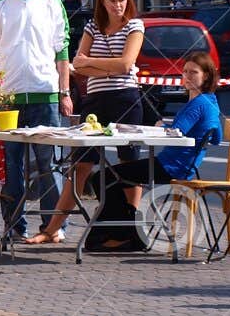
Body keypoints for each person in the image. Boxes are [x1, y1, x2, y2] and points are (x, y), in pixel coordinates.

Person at [27, 0, 145, 244]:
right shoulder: (93, 26)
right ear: (103, 1)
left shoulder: (134, 26)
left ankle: (131, 228)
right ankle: (52, 228)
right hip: (95, 100)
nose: (118, 5)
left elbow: (126, 64)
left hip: (125, 99)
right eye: (113, 0)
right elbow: (77, 66)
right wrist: (105, 67)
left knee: (128, 164)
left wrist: (92, 63)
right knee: (80, 165)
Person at [88, 51, 222, 251]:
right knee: (111, 178)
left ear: (207, 76)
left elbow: (176, 132)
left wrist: (160, 127)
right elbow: (217, 137)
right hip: (183, 166)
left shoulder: (198, 104)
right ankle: (125, 231)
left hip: (170, 167)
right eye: (185, 71)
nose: (187, 76)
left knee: (103, 177)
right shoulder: (211, 102)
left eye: (193, 72)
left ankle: (126, 234)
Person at [0, 0, 73, 240]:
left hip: (44, 95)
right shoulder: (0, 6)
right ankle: (13, 226)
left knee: (49, 164)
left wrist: (64, 93)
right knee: (12, 166)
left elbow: (62, 51)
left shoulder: (52, 3)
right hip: (8, 99)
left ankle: (54, 227)